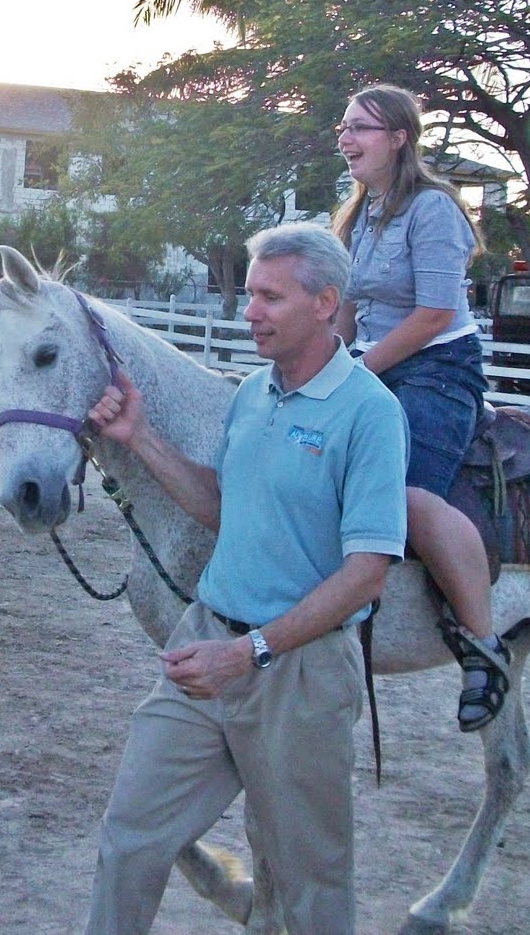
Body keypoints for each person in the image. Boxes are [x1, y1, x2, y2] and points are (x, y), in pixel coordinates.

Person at [83, 222, 407, 935]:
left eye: (269, 296)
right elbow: (221, 508)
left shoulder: (370, 413)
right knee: (131, 837)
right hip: (204, 647)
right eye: (250, 294)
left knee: (308, 884)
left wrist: (250, 651)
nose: (249, 311)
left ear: (325, 303)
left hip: (299, 669)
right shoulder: (252, 395)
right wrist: (139, 438)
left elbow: (367, 573)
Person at [330, 83, 511, 732]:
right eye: (344, 129)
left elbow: (435, 314)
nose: (346, 140)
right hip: (378, 365)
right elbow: (347, 311)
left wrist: (358, 370)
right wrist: (312, 364)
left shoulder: (433, 210)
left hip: (438, 368)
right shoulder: (358, 215)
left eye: (361, 129)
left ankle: (484, 646)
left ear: (400, 138)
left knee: (404, 492)